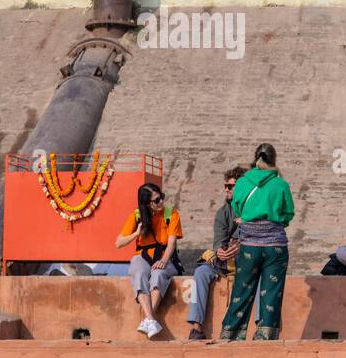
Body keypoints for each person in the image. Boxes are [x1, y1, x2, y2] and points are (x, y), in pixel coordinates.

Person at [221, 144, 294, 341]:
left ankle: (230, 334)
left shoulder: (243, 182)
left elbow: (236, 208)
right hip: (275, 247)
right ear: (274, 160)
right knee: (271, 293)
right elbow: (288, 214)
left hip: (249, 246)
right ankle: (265, 337)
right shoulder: (281, 185)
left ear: (255, 159)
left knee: (241, 291)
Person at [187, 165, 250, 340]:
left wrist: (239, 246)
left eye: (231, 186)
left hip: (247, 261)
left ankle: (259, 327)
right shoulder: (223, 213)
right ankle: (196, 327)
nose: (226, 189)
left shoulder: (253, 211)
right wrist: (221, 252)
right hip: (224, 261)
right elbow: (218, 242)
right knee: (201, 272)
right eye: (226, 186)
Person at [116, 183, 183, 339]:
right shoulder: (137, 216)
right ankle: (152, 320)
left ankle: (148, 319)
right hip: (143, 255)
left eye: (161, 197)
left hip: (165, 255)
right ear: (147, 204)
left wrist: (164, 260)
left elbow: (172, 243)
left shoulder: (171, 214)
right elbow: (118, 243)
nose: (161, 202)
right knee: (138, 272)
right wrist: (136, 234)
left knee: (158, 273)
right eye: (156, 200)